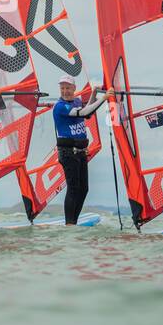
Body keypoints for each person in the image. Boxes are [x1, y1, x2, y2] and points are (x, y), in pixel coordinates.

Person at [51, 75, 111, 225]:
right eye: (62, 88)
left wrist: (94, 95)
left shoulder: (76, 101)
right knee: (73, 189)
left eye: (68, 88)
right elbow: (82, 113)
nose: (65, 91)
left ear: (74, 88)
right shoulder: (60, 106)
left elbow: (87, 112)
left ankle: (74, 222)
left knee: (83, 189)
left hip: (81, 152)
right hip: (68, 153)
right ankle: (69, 224)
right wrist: (104, 99)